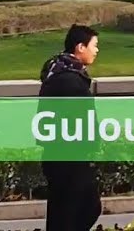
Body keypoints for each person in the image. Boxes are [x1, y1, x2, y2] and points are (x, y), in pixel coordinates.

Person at [38, 24, 102, 231]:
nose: (97, 50)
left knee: (62, 212)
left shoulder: (60, 72)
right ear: (80, 47)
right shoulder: (69, 81)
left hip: (57, 155)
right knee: (85, 208)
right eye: (94, 45)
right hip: (70, 157)